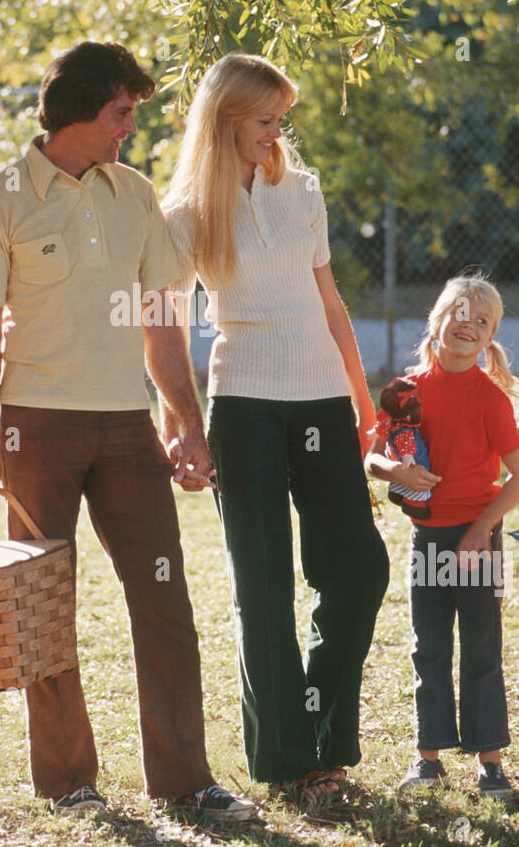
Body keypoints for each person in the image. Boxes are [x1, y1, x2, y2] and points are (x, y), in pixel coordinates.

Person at [0, 41, 253, 819]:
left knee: (164, 601)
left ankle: (185, 779)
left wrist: (187, 424)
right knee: (44, 604)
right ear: (81, 109)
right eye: (122, 112)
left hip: (126, 430)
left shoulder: (135, 195)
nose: (129, 128)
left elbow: (161, 319)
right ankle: (68, 781)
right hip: (33, 432)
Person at [161, 53, 388, 804]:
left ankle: (326, 737)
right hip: (244, 406)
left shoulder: (305, 192)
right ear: (226, 120)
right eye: (265, 119)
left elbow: (330, 305)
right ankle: (292, 762)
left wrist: (364, 406)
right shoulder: (187, 213)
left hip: (323, 398)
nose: (276, 131)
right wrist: (184, 424)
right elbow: (161, 326)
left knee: (356, 572)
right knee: (263, 589)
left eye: (280, 118)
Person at [366, 272, 519, 798]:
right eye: (460, 315)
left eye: (482, 321)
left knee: (482, 646)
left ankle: (491, 764)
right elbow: (372, 457)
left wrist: (482, 529)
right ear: (437, 321)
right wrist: (398, 473)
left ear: (489, 338)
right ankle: (428, 760)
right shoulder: (404, 391)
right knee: (429, 647)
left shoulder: (490, 398)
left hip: (477, 540)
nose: (470, 325)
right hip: (428, 539)